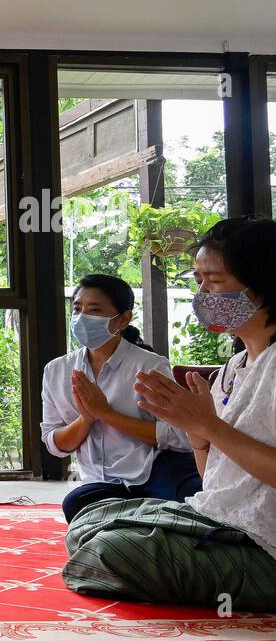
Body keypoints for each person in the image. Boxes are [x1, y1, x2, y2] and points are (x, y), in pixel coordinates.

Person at [64, 218, 276, 611]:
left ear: (262, 281)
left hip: (265, 544)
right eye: (198, 280)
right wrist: (198, 433)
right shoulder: (236, 366)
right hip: (220, 517)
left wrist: (207, 424)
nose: (201, 295)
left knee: (109, 551)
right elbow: (213, 475)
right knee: (90, 518)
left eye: (213, 281)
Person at [41, 273, 200, 522]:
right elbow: (56, 445)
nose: (82, 318)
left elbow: (179, 437)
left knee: (196, 497)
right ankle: (145, 516)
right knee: (75, 504)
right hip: (103, 481)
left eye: (94, 310)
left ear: (123, 319)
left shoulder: (149, 366)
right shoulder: (56, 370)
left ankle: (144, 517)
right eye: (77, 309)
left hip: (157, 469)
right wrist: (86, 418)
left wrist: (107, 414)